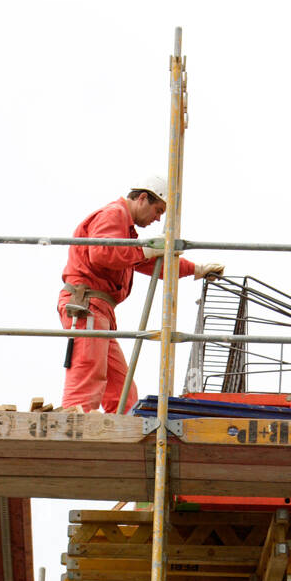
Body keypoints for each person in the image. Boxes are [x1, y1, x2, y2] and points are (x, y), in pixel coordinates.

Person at [58, 175, 223, 413]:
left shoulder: (125, 231)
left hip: (99, 310)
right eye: (158, 210)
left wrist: (196, 270)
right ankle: (74, 430)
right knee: (87, 374)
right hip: (87, 306)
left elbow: (150, 263)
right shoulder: (113, 214)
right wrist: (144, 250)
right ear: (143, 198)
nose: (158, 219)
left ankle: (121, 431)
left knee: (122, 390)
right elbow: (102, 254)